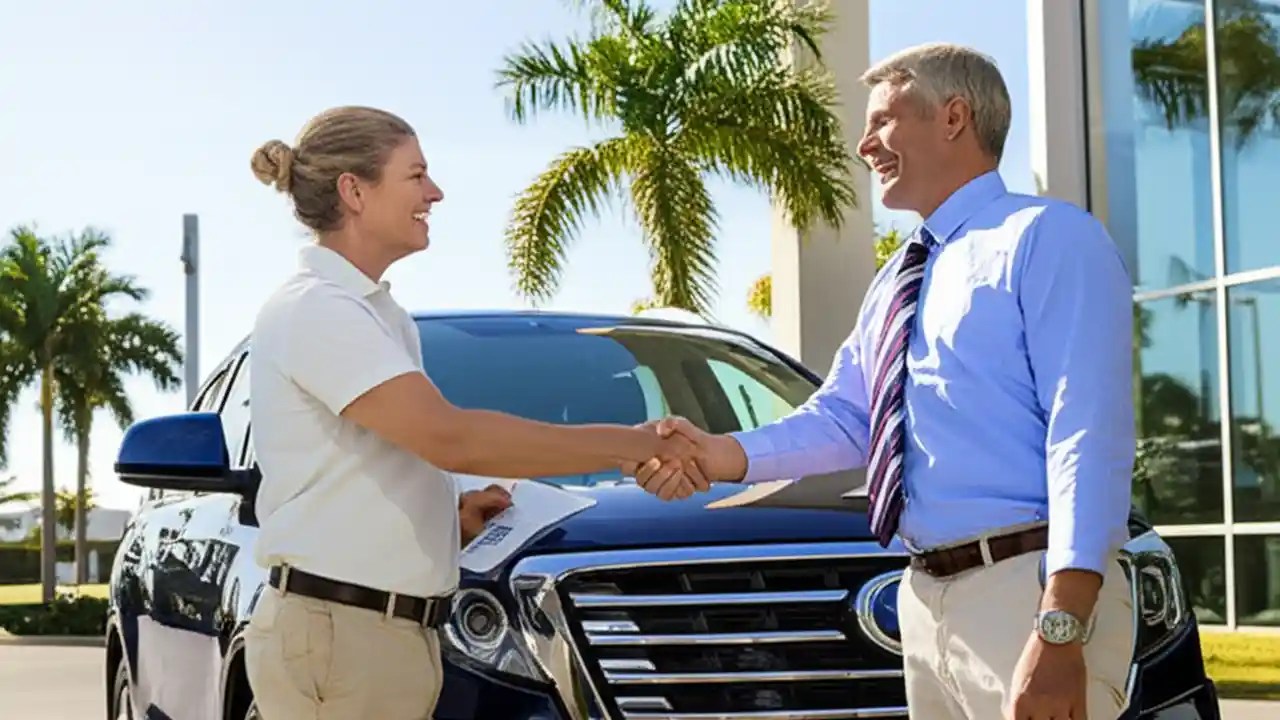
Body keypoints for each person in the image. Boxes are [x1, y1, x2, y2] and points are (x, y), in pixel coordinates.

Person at [635, 43, 1137, 720]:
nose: (865, 145)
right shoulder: (897, 277)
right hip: (923, 600)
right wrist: (717, 454)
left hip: (1028, 592)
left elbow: (1088, 431)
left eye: (882, 122)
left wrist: (1061, 625)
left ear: (954, 116)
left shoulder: (1047, 238)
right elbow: (847, 418)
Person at [242, 105, 705, 719]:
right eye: (416, 176)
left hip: (376, 635)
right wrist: (633, 443)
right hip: (345, 637)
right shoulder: (319, 309)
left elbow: (369, 464)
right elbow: (448, 438)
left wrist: (449, 519)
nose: (434, 193)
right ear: (354, 191)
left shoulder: (376, 315)